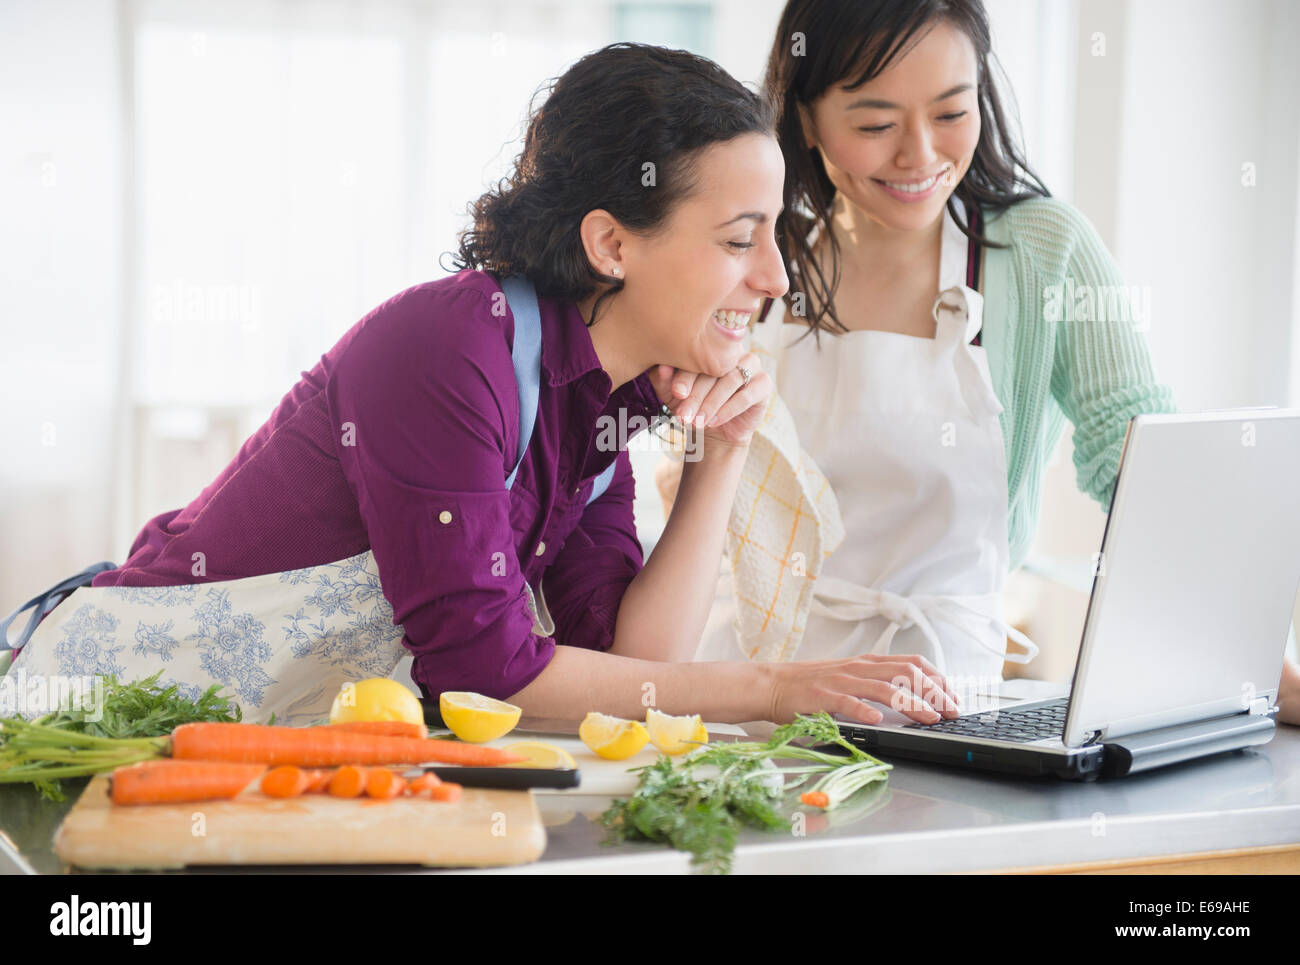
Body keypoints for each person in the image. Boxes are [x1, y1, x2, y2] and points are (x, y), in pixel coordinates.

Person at [2, 42, 961, 728]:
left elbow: (634, 665)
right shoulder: (449, 350)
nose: (775, 280)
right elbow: (490, 679)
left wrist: (721, 459)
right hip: (99, 712)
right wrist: (772, 685)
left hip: (255, 743)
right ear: (612, 242)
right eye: (739, 238)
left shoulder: (605, 397)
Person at [662, 0, 1300, 715]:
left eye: (950, 113)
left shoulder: (1043, 255)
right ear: (806, 118)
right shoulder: (757, 259)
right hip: (750, 697)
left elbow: (1146, 481)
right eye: (875, 124)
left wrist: (1256, 665)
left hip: (948, 702)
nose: (920, 156)